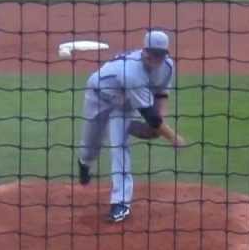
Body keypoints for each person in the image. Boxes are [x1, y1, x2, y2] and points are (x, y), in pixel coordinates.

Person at [76, 29, 183, 223]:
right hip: (98, 96)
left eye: (160, 54)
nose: (155, 58)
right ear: (144, 51)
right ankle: (84, 163)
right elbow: (150, 117)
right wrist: (172, 137)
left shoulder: (168, 66)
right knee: (90, 146)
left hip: (124, 105)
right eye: (152, 53)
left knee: (120, 146)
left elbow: (161, 95)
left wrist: (159, 123)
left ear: (165, 54)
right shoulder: (132, 72)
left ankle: (120, 203)